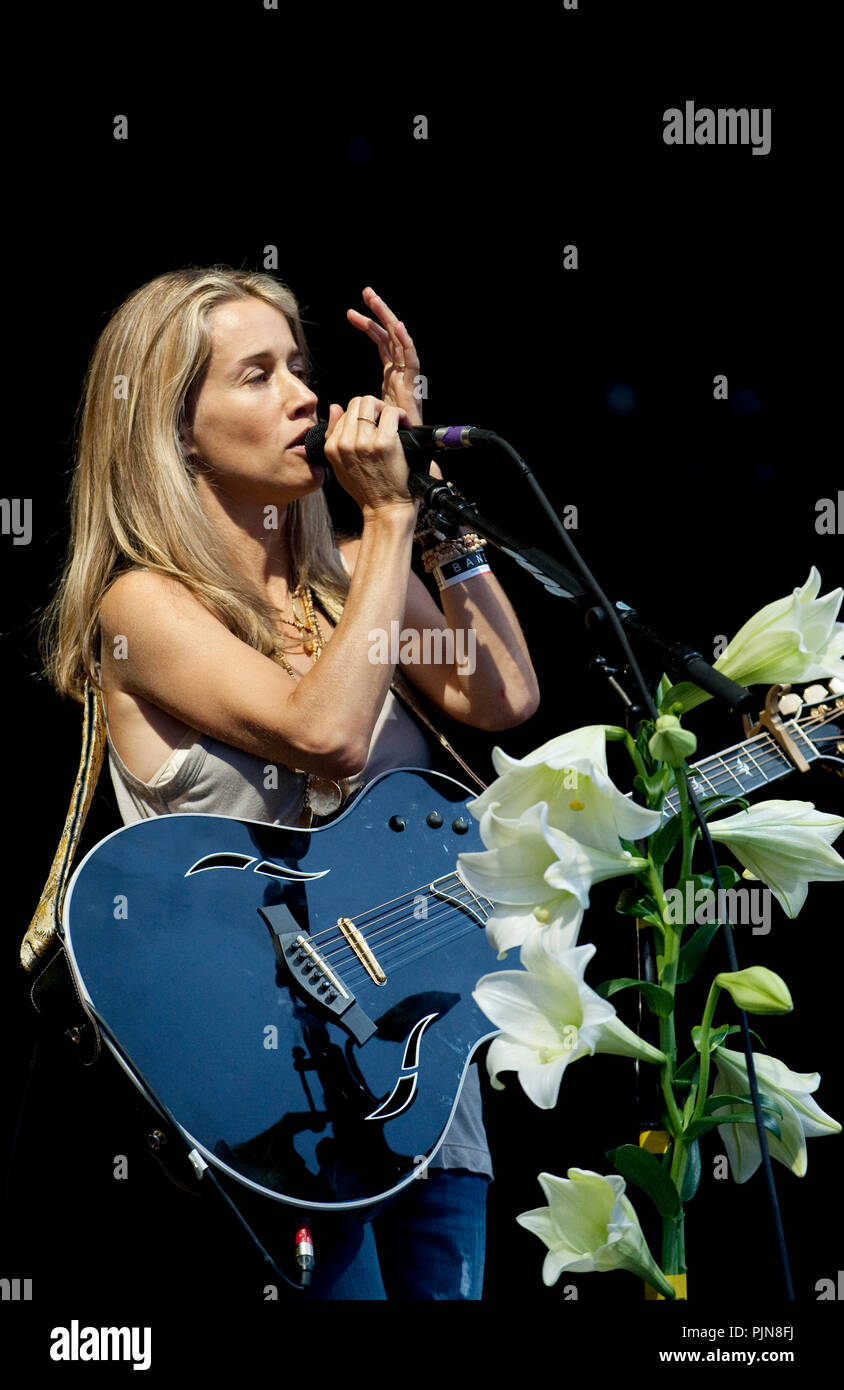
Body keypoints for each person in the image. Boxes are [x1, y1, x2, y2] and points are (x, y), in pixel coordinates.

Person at [37, 265, 540, 1299]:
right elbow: (328, 735)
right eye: (259, 375)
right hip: (269, 1093)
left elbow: (503, 698)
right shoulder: (142, 606)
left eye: (303, 367)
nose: (307, 396)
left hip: (411, 1065)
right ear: (175, 432)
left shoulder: (349, 577)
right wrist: (389, 525)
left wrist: (428, 508)